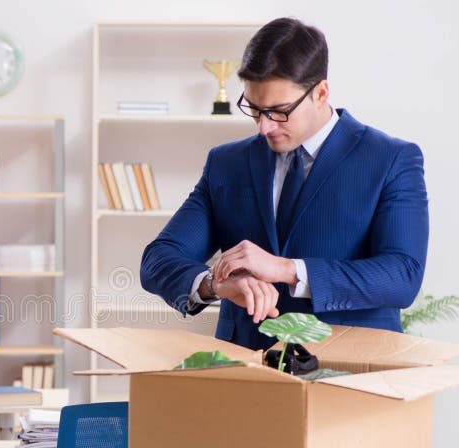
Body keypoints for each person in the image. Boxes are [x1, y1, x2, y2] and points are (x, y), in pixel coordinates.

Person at [140, 17, 428, 350]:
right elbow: (158, 259)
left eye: (278, 111)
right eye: (253, 108)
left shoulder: (391, 159)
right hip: (246, 371)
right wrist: (216, 284)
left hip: (351, 370)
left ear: (320, 93)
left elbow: (402, 276)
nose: (263, 127)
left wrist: (286, 269)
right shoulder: (226, 164)